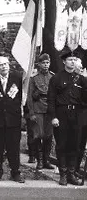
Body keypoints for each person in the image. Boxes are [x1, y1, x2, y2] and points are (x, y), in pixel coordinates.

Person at [47, 51, 87, 186]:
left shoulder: (81, 79)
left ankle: (71, 172)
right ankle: (63, 174)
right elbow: (51, 99)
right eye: (70, 59)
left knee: (74, 145)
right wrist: (53, 117)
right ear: (64, 62)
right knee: (62, 144)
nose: (72, 62)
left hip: (76, 115)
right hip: (61, 114)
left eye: (74, 59)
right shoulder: (56, 78)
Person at [0, 56, 25, 183]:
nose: (4, 66)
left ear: (9, 65)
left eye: (6, 64)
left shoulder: (18, 78)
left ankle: (15, 173)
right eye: (1, 65)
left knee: (14, 148)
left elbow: (23, 94)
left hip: (14, 119)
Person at [27, 53, 56, 170]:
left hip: (49, 110)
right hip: (38, 109)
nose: (45, 65)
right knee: (38, 136)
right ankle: (39, 160)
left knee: (48, 136)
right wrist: (31, 113)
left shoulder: (53, 77)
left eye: (47, 62)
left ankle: (46, 160)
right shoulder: (34, 78)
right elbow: (29, 96)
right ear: (39, 64)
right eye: (43, 63)